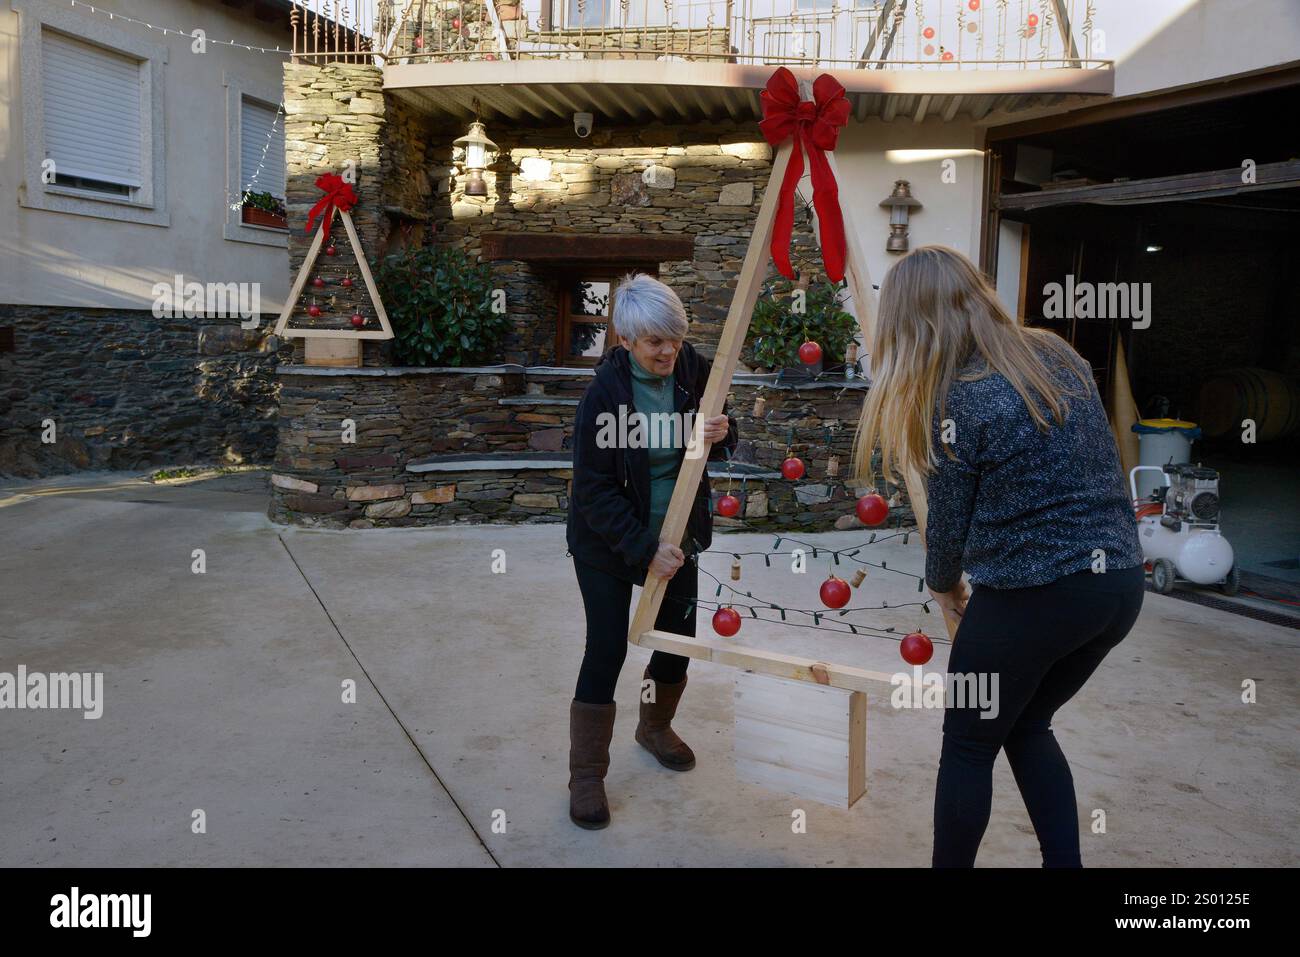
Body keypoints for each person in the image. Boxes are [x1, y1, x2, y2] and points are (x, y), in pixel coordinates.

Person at [854, 245, 1145, 867]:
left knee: (967, 745)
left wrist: (942, 587)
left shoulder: (955, 401)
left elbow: (948, 527)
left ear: (912, 322)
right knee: (1026, 725)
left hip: (1034, 596)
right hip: (1117, 587)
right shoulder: (1056, 354)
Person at [564, 273, 738, 830]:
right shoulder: (604, 396)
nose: (668, 351)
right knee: (608, 647)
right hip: (610, 543)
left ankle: (654, 727)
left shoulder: (693, 369)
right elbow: (592, 492)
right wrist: (644, 550)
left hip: (677, 532)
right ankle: (586, 774)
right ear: (626, 341)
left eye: (675, 338)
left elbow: (724, 436)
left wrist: (722, 432)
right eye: (655, 342)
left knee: (677, 642)